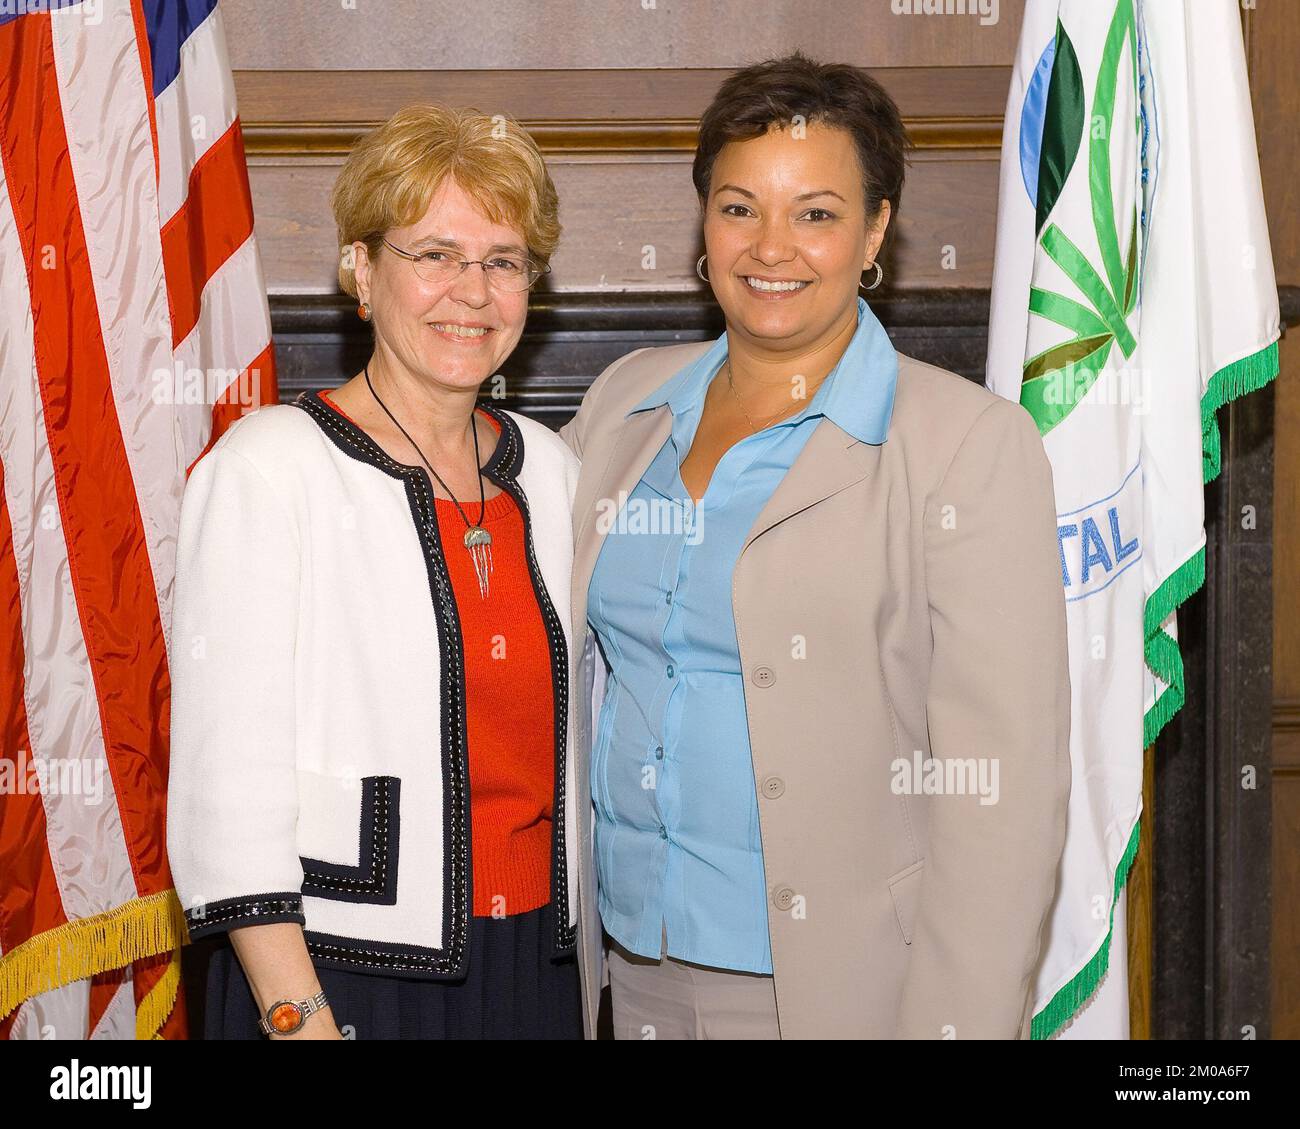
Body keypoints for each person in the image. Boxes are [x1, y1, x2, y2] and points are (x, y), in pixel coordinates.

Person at [559, 52, 1072, 1039]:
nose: (770, 246)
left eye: (817, 212)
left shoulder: (964, 443)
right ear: (702, 222)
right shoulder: (623, 400)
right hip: (625, 973)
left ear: (876, 228)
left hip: (839, 992)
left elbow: (1002, 800)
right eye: (738, 206)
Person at [167, 103, 584, 1039]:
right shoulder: (269, 469)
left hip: (538, 967)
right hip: (333, 970)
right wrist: (297, 1013)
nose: (471, 292)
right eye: (433, 254)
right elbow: (222, 793)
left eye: (504, 261)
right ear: (362, 269)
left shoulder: (556, 473)